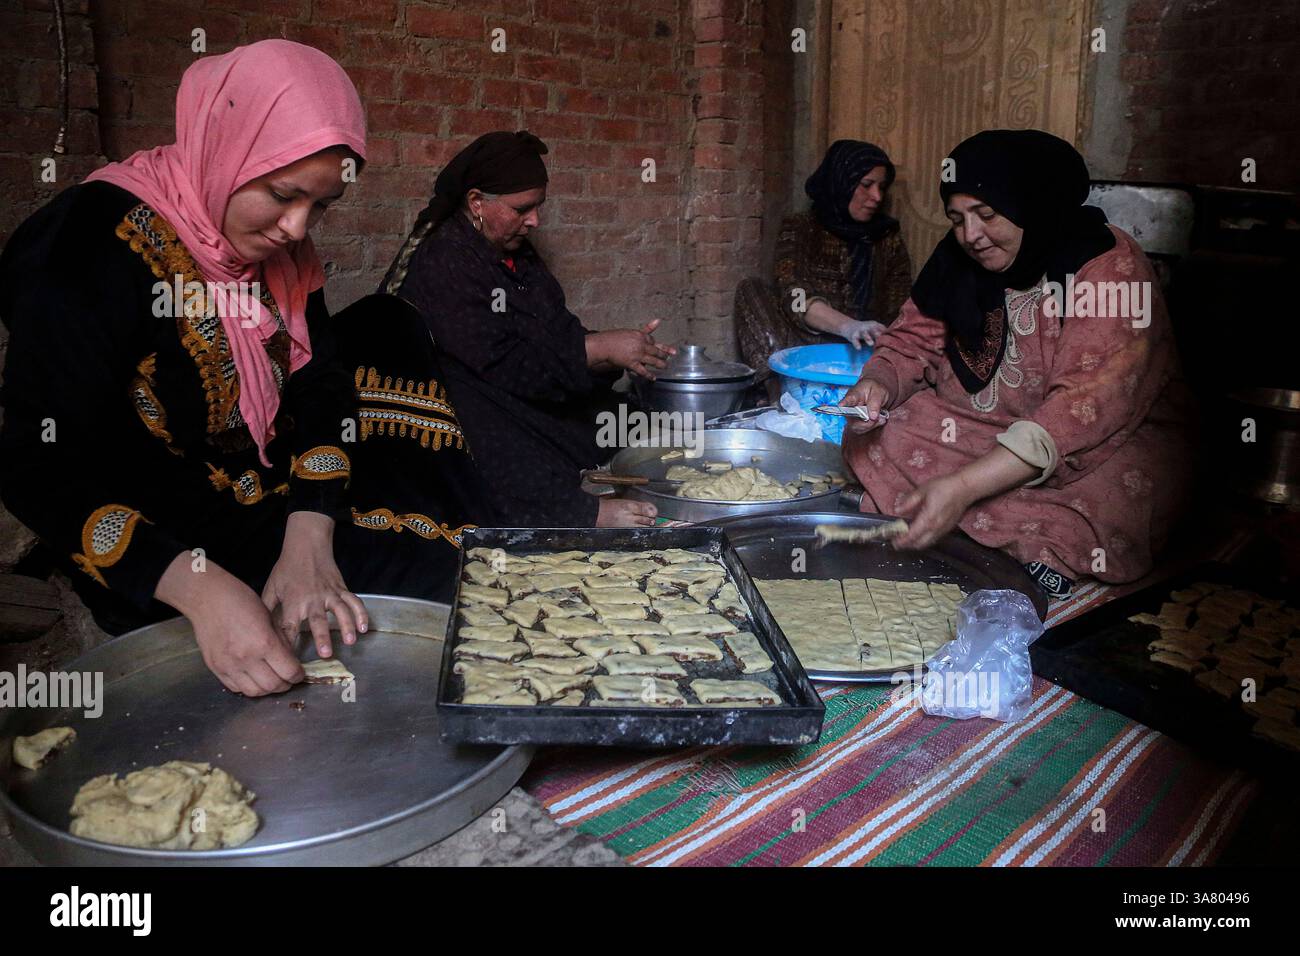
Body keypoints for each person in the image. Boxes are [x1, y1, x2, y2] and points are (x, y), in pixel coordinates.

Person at [0, 40, 369, 696]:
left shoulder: (280, 254)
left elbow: (324, 383)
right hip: (156, 530)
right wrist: (198, 591)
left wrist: (310, 534)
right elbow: (37, 466)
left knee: (437, 560)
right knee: (361, 622)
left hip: (267, 495)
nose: (296, 227)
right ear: (225, 144)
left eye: (321, 206)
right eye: (284, 194)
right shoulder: (87, 249)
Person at [840, 129, 1193, 597]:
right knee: (887, 431)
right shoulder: (957, 256)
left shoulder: (1108, 268)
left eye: (986, 214)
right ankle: (966, 521)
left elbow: (1084, 409)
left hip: (1093, 445)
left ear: (1032, 201)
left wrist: (964, 486)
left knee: (1119, 495)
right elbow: (911, 341)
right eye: (957, 218)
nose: (971, 236)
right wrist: (878, 383)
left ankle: (1024, 544)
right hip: (987, 427)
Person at [381, 130, 671, 528]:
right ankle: (578, 512)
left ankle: (577, 473)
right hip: (470, 405)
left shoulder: (518, 255)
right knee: (495, 441)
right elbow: (504, 365)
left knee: (627, 420)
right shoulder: (445, 261)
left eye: (538, 207)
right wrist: (598, 349)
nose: (534, 220)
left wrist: (613, 353)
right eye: (522, 209)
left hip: (523, 389)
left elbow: (557, 329)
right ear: (477, 202)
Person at [735, 139, 912, 390]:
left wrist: (876, 336)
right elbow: (793, 292)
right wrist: (848, 326)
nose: (876, 196)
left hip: (864, 352)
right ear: (841, 182)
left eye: (881, 187)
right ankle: (778, 391)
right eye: (866, 185)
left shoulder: (887, 238)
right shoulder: (802, 228)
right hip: (804, 345)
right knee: (751, 289)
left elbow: (900, 304)